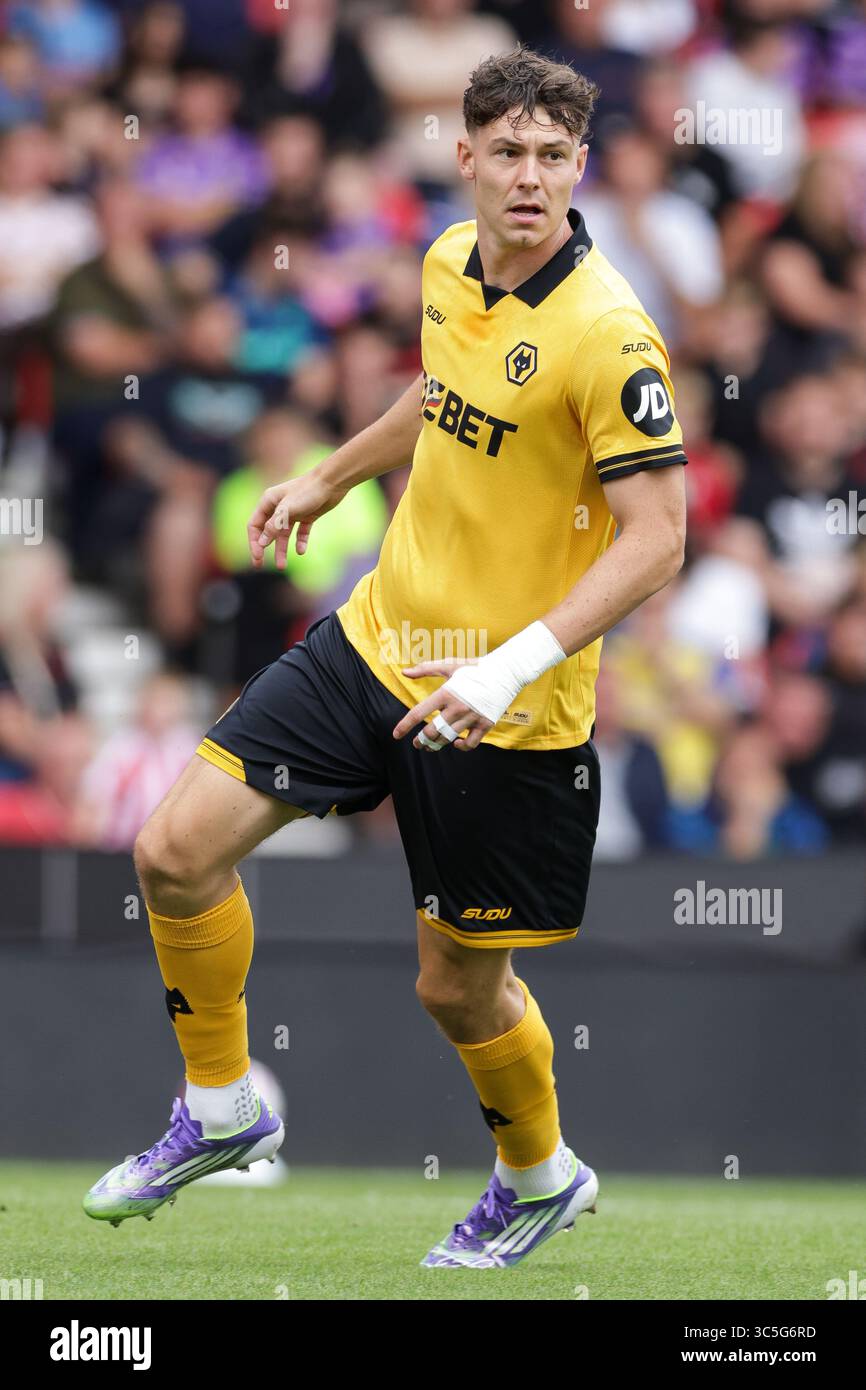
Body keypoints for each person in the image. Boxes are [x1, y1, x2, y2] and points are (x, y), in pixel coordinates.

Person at [83, 46, 688, 1269]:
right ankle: (221, 1106)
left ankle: (537, 1177)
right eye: (506, 152)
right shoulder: (446, 261)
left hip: (504, 710)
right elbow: (440, 389)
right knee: (170, 850)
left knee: (455, 987)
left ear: (580, 166)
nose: (528, 177)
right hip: (377, 639)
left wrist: (511, 663)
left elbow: (659, 539)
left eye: (552, 157)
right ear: (461, 156)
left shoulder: (609, 337)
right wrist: (328, 472)